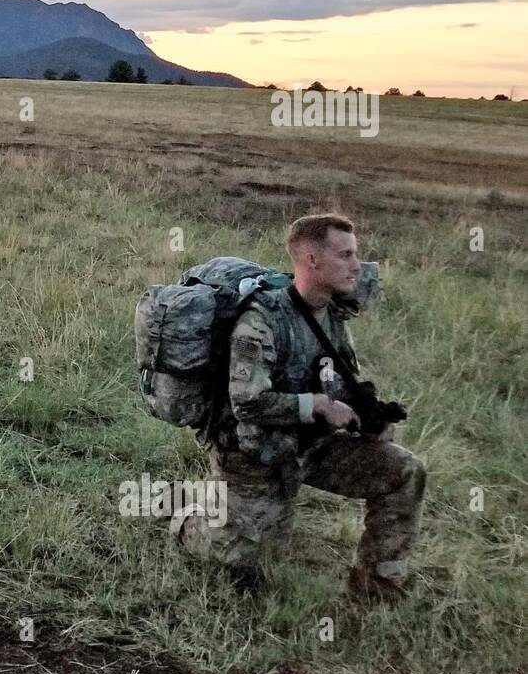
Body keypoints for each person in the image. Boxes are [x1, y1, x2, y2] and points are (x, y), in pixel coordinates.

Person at [174, 214, 426, 601]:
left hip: (313, 447)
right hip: (257, 454)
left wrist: (368, 419)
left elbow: (342, 378)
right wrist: (316, 405)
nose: (356, 265)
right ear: (311, 260)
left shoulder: (333, 315)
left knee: (405, 470)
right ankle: (185, 520)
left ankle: (378, 582)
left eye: (355, 254)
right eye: (345, 255)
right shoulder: (260, 321)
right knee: (244, 563)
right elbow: (247, 402)